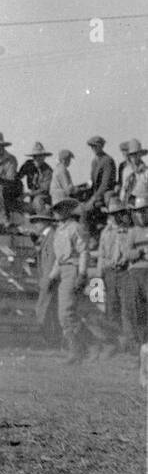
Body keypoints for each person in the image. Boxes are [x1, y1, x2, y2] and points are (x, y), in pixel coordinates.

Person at [47, 197, 105, 363]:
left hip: (73, 270)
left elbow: (83, 252)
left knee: (66, 313)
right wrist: (53, 276)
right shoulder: (60, 231)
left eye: (60, 209)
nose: (56, 213)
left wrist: (81, 274)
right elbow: (60, 258)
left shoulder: (75, 228)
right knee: (64, 314)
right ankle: (79, 350)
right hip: (64, 270)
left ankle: (90, 346)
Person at [96, 199, 132, 354]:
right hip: (110, 273)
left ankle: (128, 344)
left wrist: (125, 259)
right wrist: (99, 276)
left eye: (119, 213)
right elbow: (101, 255)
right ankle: (112, 344)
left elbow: (131, 252)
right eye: (113, 214)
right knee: (111, 309)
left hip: (125, 273)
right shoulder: (106, 232)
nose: (116, 217)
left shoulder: (129, 231)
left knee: (126, 309)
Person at [28, 204, 61, 345]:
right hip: (47, 278)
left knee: (43, 309)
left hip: (49, 278)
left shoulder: (51, 236)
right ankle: (53, 340)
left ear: (45, 222)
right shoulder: (46, 236)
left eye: (37, 221)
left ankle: (50, 340)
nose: (35, 225)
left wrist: (47, 279)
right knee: (48, 310)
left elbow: (51, 260)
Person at [122, 198, 148, 347]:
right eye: (138, 212)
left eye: (144, 211)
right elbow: (127, 253)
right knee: (136, 307)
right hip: (136, 272)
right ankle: (141, 344)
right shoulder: (132, 232)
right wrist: (140, 252)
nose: (141, 215)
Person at [0, 132, 23, 227]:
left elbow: (10, 178)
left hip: (9, 188)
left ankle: (5, 217)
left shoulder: (11, 159)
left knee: (1, 189)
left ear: (2, 146)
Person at [18, 142, 53, 211]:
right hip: (32, 195)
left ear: (44, 157)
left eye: (40, 156)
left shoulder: (48, 171)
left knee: (38, 201)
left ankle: (43, 219)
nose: (37, 159)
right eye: (35, 156)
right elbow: (18, 176)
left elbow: (44, 189)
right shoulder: (28, 165)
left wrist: (28, 194)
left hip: (44, 197)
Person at [88, 135, 118, 206]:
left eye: (95, 146)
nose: (93, 148)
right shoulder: (94, 161)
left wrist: (94, 198)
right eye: (92, 146)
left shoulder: (107, 160)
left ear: (101, 146)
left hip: (105, 195)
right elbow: (93, 181)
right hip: (97, 194)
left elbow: (105, 184)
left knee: (85, 210)